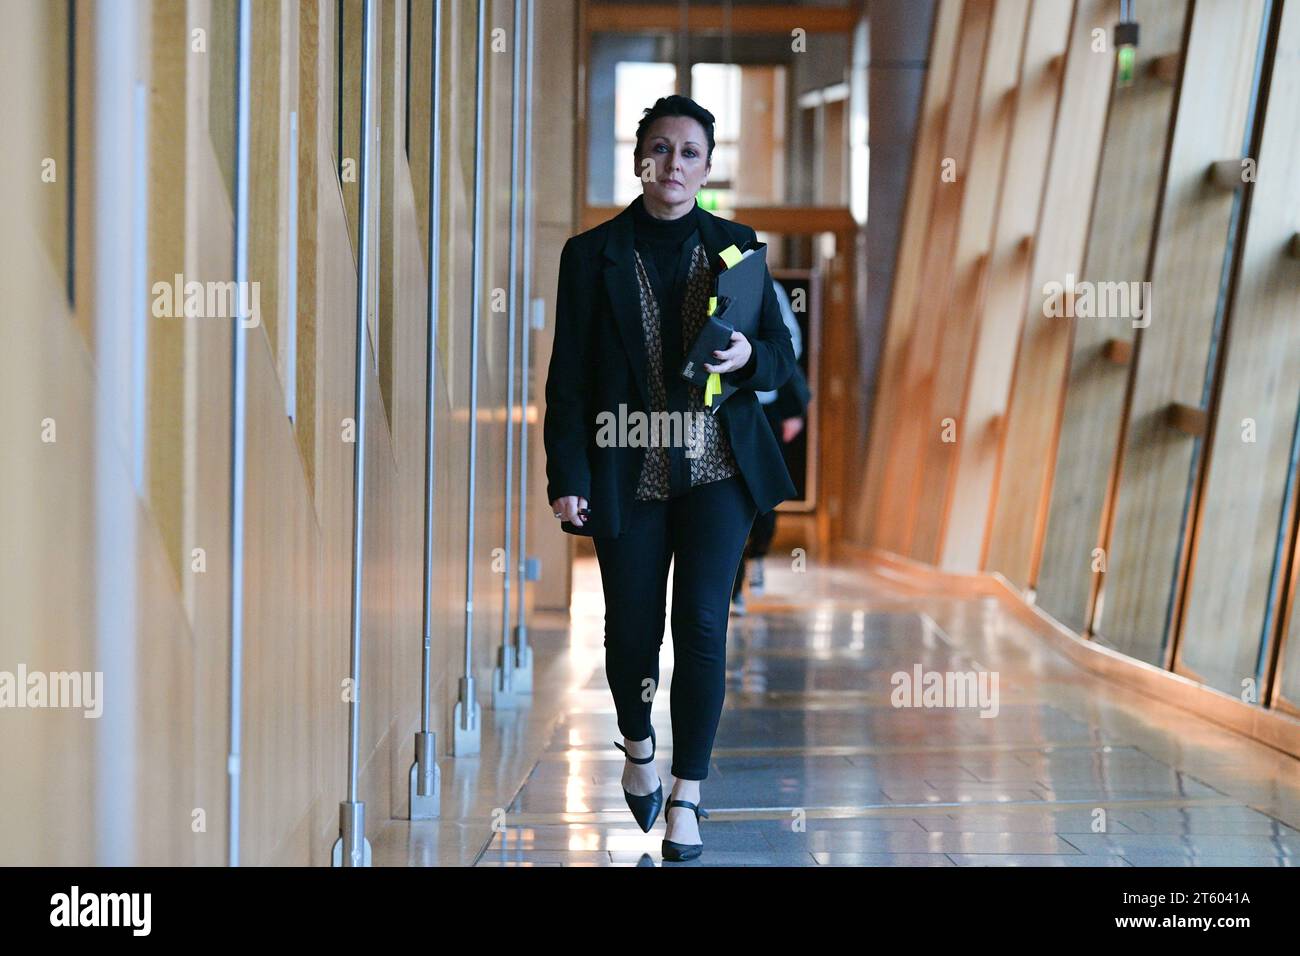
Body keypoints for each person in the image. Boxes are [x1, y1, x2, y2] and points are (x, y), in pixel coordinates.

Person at [543, 94, 797, 862]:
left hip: (719, 468)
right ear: (638, 159)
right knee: (630, 633)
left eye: (689, 152)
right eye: (660, 149)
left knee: (703, 626)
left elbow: (781, 361)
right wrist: (567, 473)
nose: (674, 164)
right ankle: (637, 744)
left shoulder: (739, 247)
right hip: (629, 464)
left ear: (708, 166)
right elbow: (568, 380)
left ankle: (689, 792)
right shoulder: (591, 256)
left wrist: (749, 360)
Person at [731, 280, 811, 615]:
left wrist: (750, 353)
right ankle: (733, 588)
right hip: (723, 407)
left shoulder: (768, 287)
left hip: (762, 407)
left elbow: (788, 349)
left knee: (763, 499)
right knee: (731, 500)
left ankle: (758, 554)